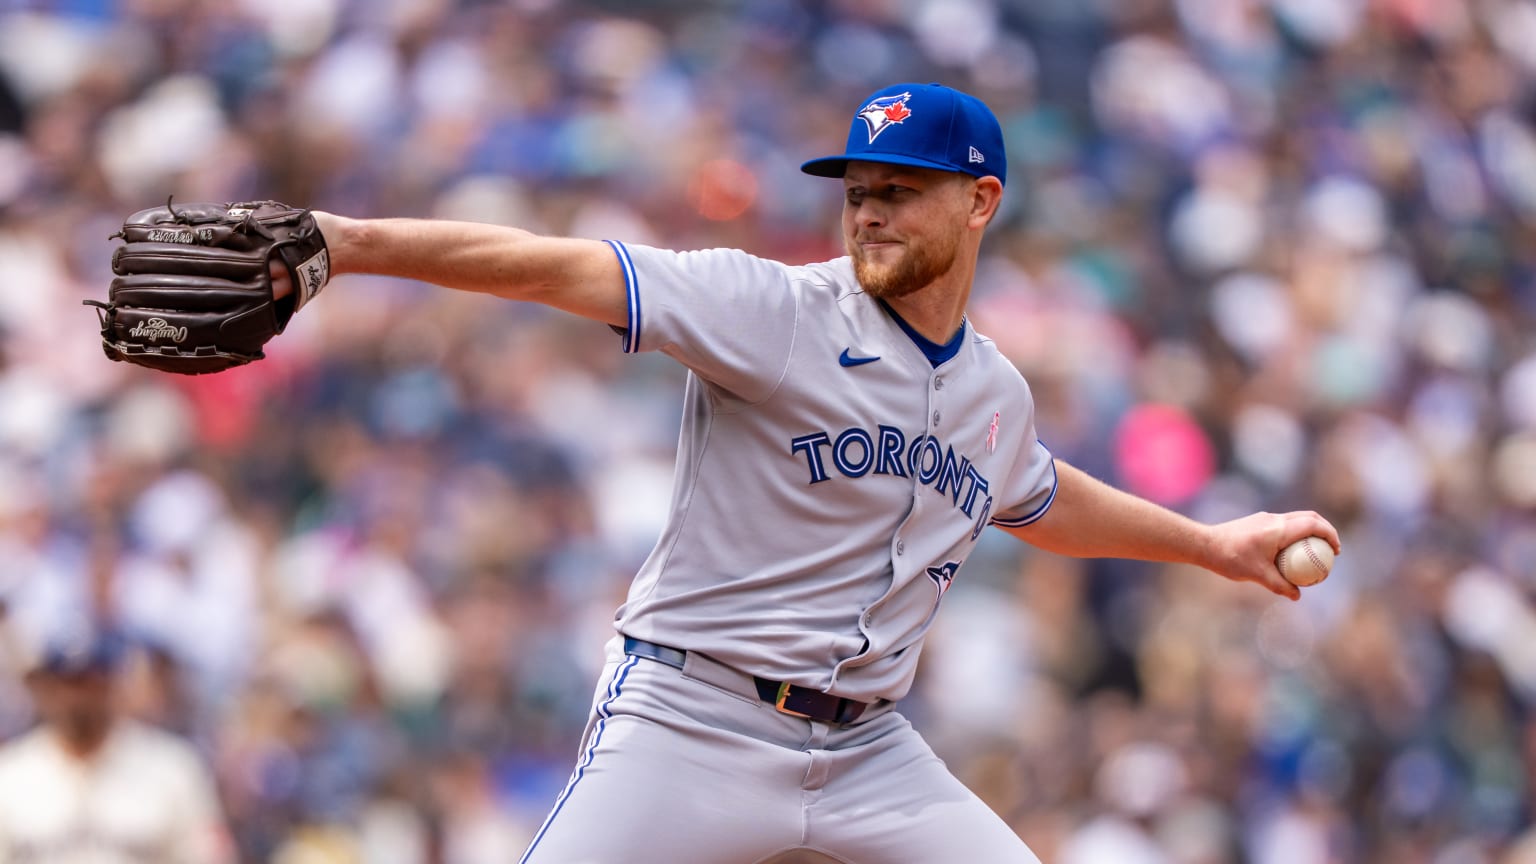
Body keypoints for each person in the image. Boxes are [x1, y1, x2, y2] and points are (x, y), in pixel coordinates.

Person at [276, 82, 1339, 863]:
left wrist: (1209, 545)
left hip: (871, 751)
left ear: (980, 203)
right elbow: (566, 266)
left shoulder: (995, 394)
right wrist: (351, 241)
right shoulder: (773, 311)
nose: (868, 209)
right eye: (856, 190)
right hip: (692, 719)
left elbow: (1045, 498)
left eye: (900, 190)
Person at [0, 625, 233, 864]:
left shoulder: (172, 768)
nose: (80, 697)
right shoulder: (10, 774)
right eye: (71, 683)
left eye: (94, 683)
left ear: (115, 685)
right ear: (46, 688)